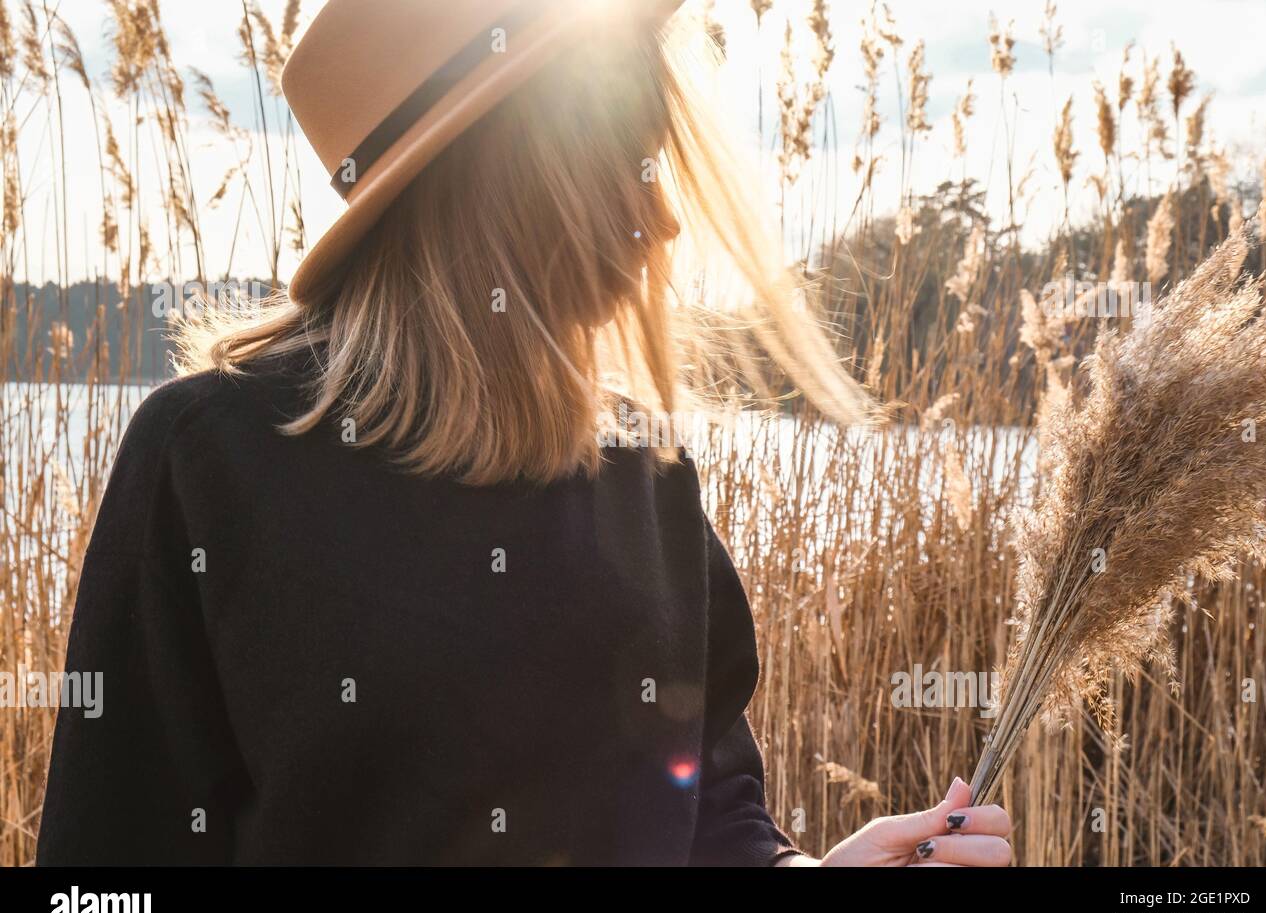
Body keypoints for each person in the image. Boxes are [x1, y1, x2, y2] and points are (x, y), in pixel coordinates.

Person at [37, 0, 1011, 867]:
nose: (665, 218)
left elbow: (708, 810)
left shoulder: (644, 471)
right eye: (628, 158)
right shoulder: (209, 459)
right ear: (517, 170)